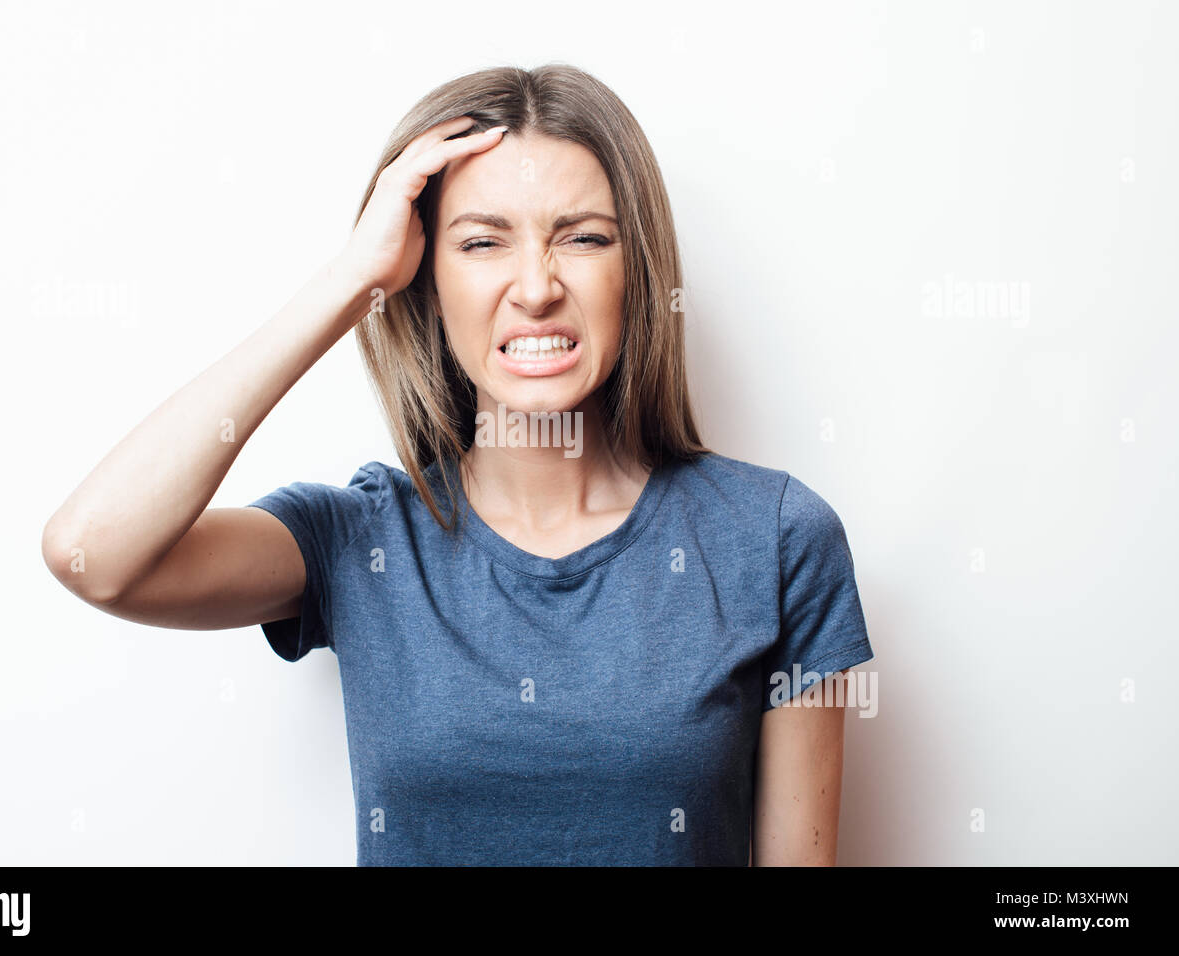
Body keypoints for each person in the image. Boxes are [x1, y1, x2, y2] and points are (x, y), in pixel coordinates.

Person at [42, 63, 874, 866]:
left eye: (583, 238)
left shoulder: (775, 540)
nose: (537, 286)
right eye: (482, 244)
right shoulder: (362, 541)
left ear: (638, 271)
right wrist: (351, 279)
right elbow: (95, 555)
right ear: (426, 280)